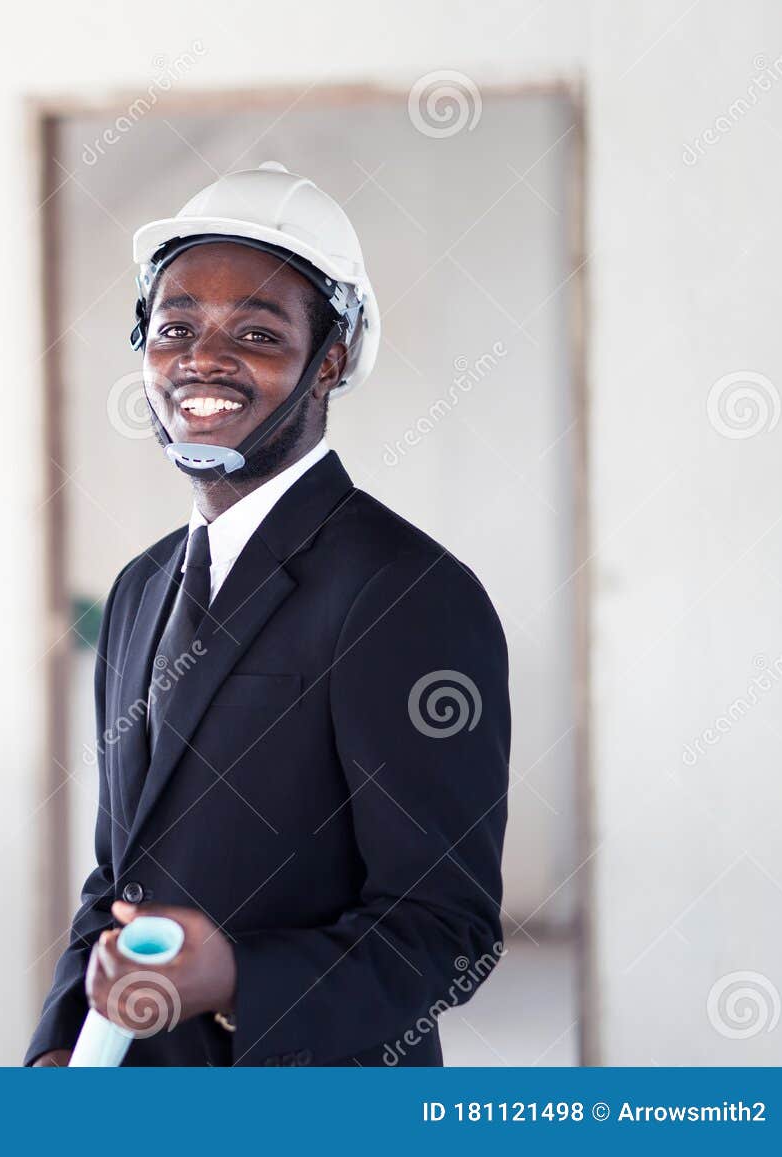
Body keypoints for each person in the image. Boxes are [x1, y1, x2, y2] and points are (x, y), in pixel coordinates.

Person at [27, 163, 511, 1067]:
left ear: (328, 360)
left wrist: (239, 977)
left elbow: (446, 927)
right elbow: (118, 875)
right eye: (176, 328)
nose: (203, 360)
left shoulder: (407, 592)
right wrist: (59, 1048)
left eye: (255, 331)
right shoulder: (140, 589)